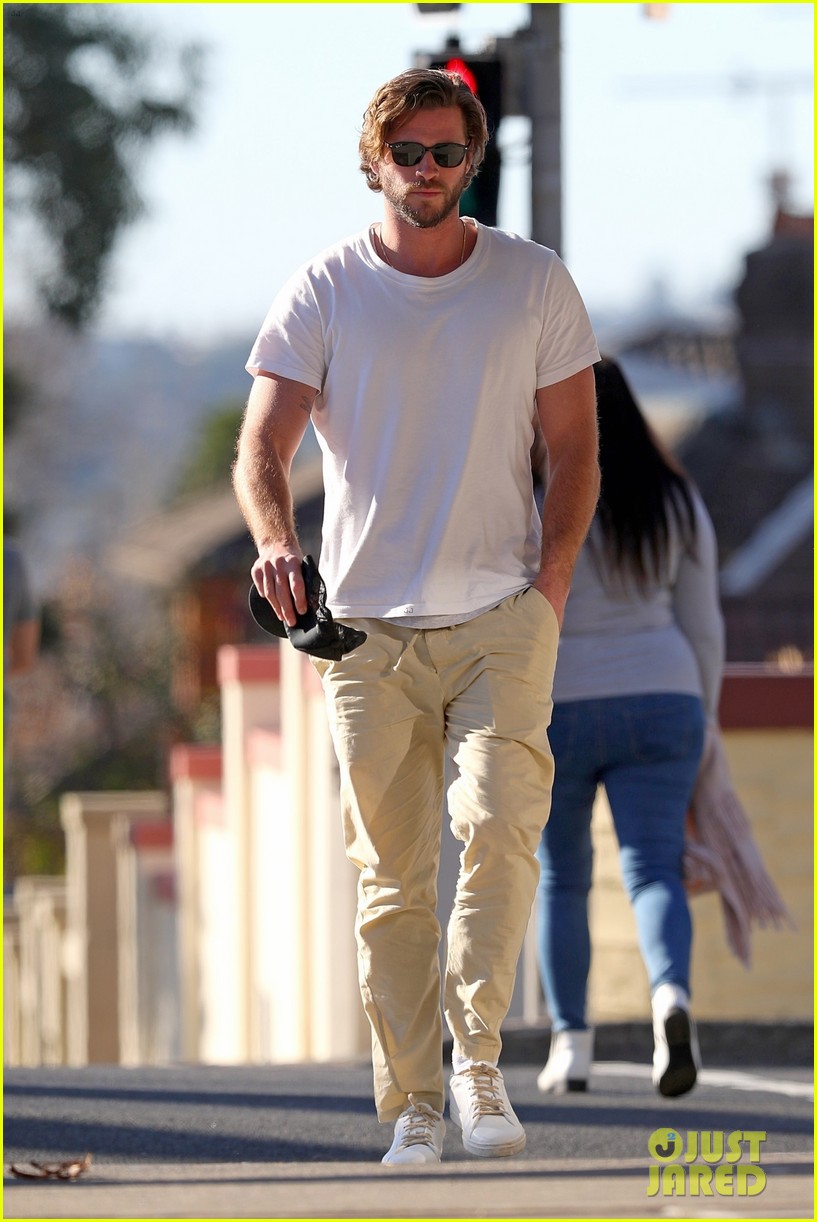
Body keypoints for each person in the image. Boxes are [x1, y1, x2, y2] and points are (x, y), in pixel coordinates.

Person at [233, 68, 600, 1165]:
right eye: (410, 156)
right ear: (373, 163)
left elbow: (577, 450)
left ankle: (479, 1063)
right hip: (366, 636)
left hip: (501, 617)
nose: (429, 173)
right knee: (394, 880)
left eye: (448, 154)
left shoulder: (533, 283)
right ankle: (414, 1105)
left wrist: (552, 591)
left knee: (497, 828)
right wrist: (275, 543)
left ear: (472, 161)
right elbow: (261, 450)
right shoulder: (324, 290)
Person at [534, 356, 725, 1100]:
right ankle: (668, 1000)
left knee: (563, 878)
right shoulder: (673, 497)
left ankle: (569, 1045)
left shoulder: (534, 494)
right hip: (663, 693)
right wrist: (702, 719)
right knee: (653, 866)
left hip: (560, 704)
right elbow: (703, 625)